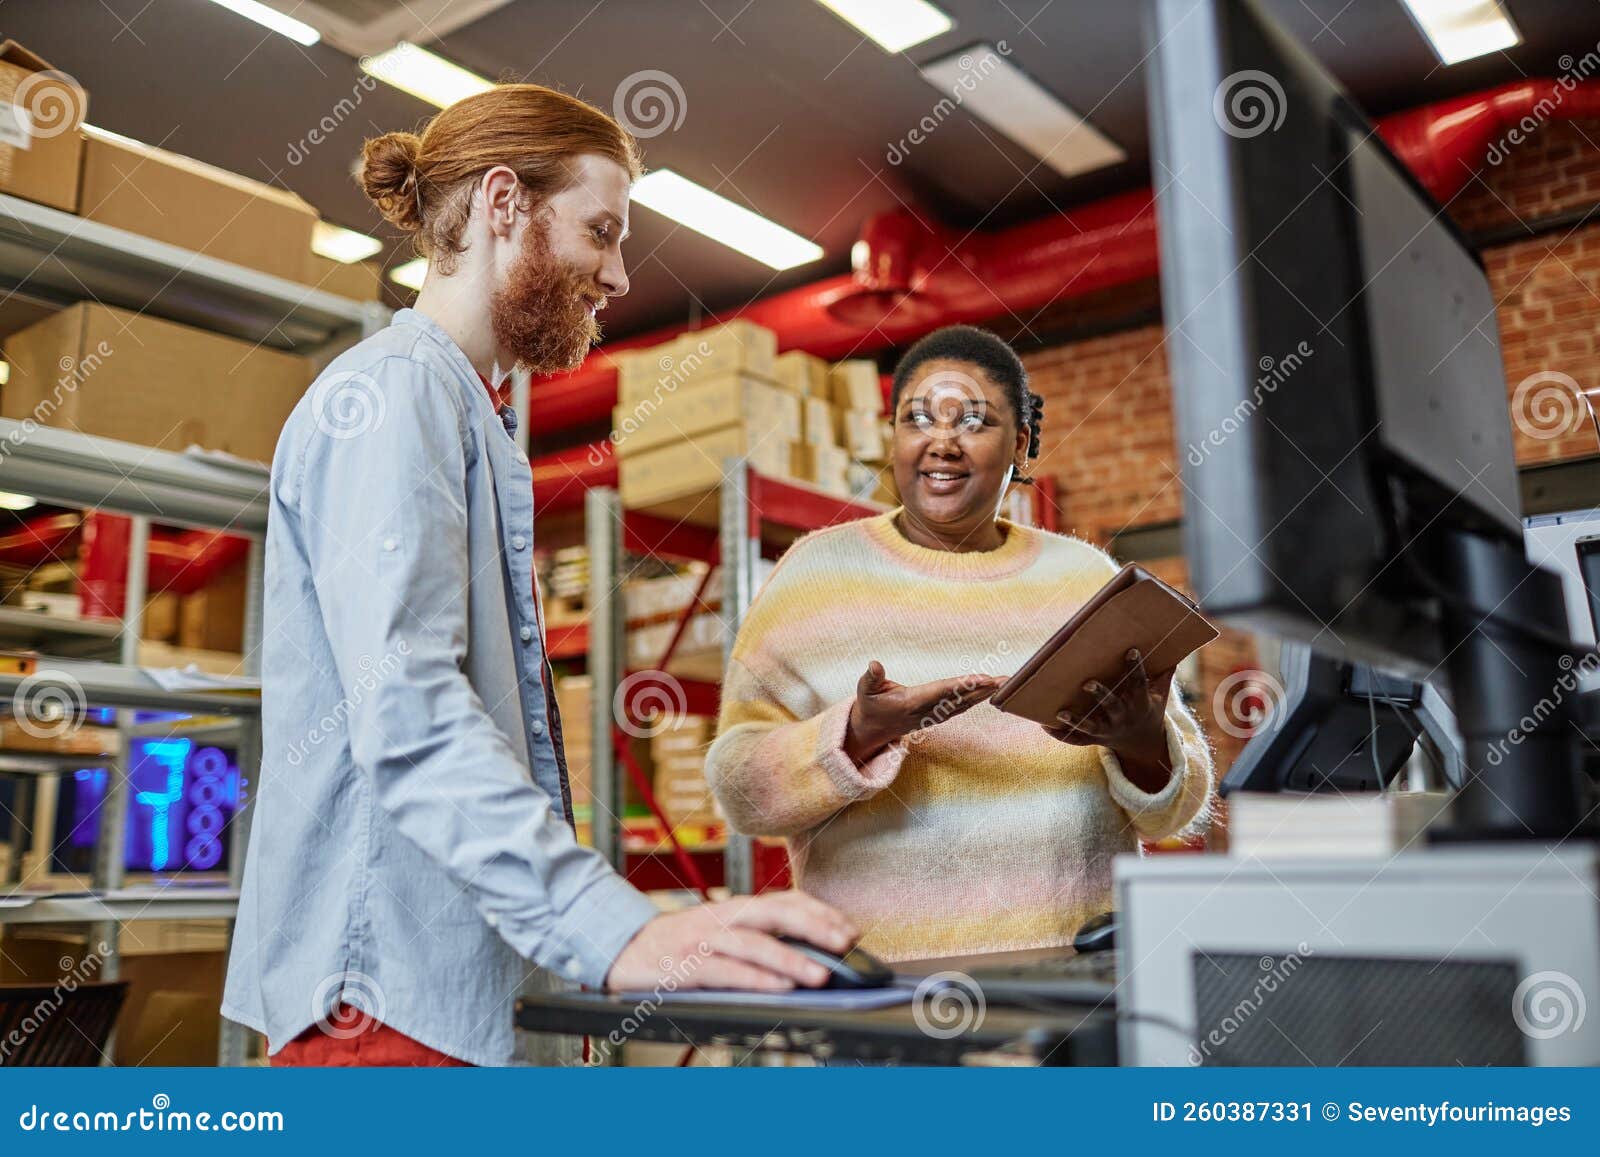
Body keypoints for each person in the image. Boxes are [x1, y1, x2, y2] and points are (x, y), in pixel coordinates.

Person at [221, 84, 856, 1068]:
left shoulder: (469, 412)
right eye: (601, 232)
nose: (615, 271)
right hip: (388, 1004)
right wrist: (615, 929)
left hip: (444, 994)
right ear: (503, 203)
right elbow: (410, 710)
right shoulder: (392, 396)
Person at [705, 325, 1213, 963]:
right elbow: (738, 789)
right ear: (894, 436)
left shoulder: (1085, 580)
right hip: (885, 997)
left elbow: (1177, 811)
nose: (940, 442)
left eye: (974, 421)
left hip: (1079, 983)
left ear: (1021, 444)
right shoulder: (814, 575)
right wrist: (857, 735)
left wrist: (1141, 743)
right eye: (917, 418)